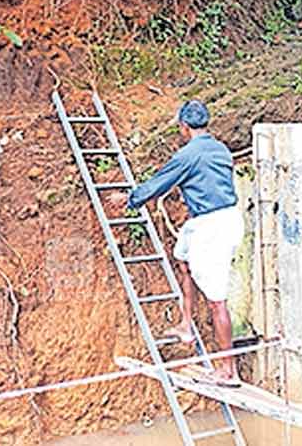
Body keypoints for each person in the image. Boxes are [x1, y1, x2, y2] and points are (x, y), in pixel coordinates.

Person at [108, 100, 244, 387]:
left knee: (216, 300)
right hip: (212, 220)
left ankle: (227, 370)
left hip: (213, 226)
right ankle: (186, 325)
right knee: (182, 257)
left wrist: (130, 200)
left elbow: (161, 182)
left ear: (184, 127)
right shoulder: (219, 149)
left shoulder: (188, 155)